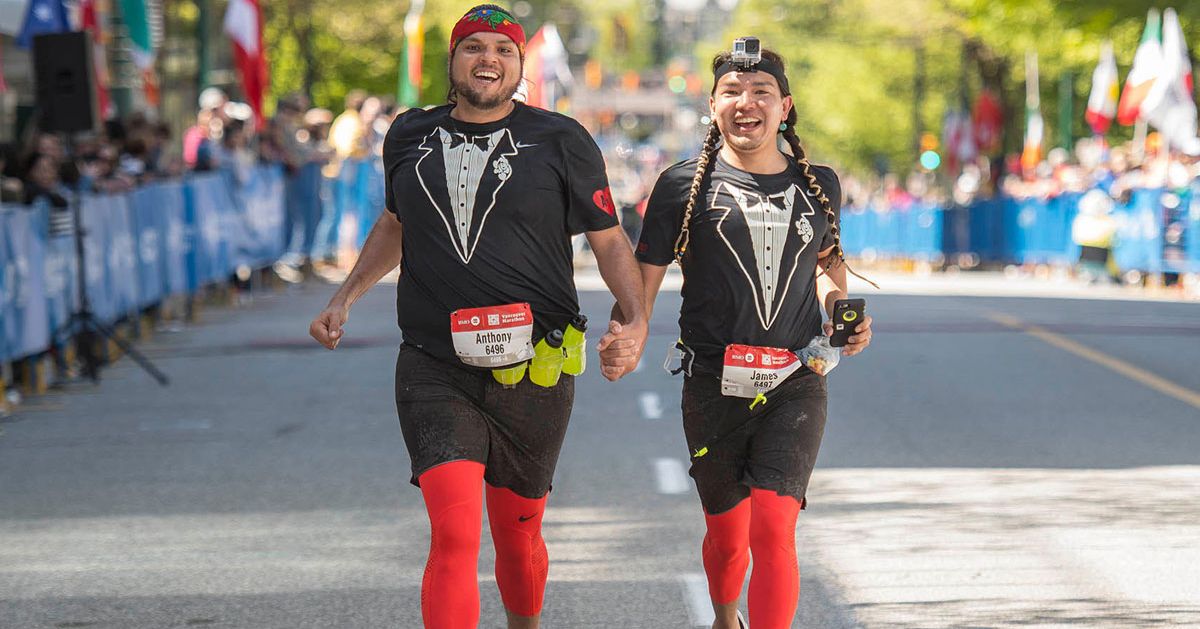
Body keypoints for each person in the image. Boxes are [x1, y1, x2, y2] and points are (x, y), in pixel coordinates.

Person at [308, 5, 646, 628]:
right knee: (455, 535)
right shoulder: (408, 135)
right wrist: (343, 298)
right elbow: (395, 224)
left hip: (535, 366)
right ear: (453, 59)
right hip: (434, 364)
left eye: (502, 49)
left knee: (518, 536)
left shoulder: (561, 139)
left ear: (518, 65)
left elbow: (609, 240)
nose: (488, 58)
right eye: (473, 47)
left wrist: (636, 319)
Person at [599, 44, 874, 629]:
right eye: (732, 92)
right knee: (728, 536)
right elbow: (645, 280)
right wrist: (630, 331)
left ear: (785, 107)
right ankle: (726, 617)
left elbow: (827, 263)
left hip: (796, 378)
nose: (746, 103)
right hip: (712, 382)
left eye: (761, 92)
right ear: (712, 105)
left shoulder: (819, 184)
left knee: (774, 526)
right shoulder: (681, 186)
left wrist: (842, 312)